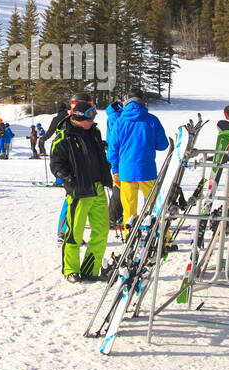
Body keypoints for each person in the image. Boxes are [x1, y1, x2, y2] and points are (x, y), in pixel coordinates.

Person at [50, 93, 113, 282]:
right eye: (90, 118)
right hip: (79, 191)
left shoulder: (94, 131)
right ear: (79, 118)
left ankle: (90, 269)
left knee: (101, 231)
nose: (93, 121)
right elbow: (56, 165)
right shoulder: (64, 135)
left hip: (98, 188)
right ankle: (71, 269)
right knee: (74, 234)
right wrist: (69, 179)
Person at [106, 89, 169, 233]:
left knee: (129, 209)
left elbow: (112, 150)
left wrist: (115, 171)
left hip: (126, 172)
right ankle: (164, 238)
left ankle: (130, 238)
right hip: (147, 170)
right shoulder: (152, 120)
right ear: (143, 101)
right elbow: (163, 145)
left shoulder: (120, 122)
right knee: (155, 206)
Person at [104, 98, 126, 234]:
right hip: (118, 155)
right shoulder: (115, 116)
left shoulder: (117, 115)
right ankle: (112, 217)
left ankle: (115, 215)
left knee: (122, 186)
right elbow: (115, 137)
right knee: (119, 186)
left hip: (119, 155)